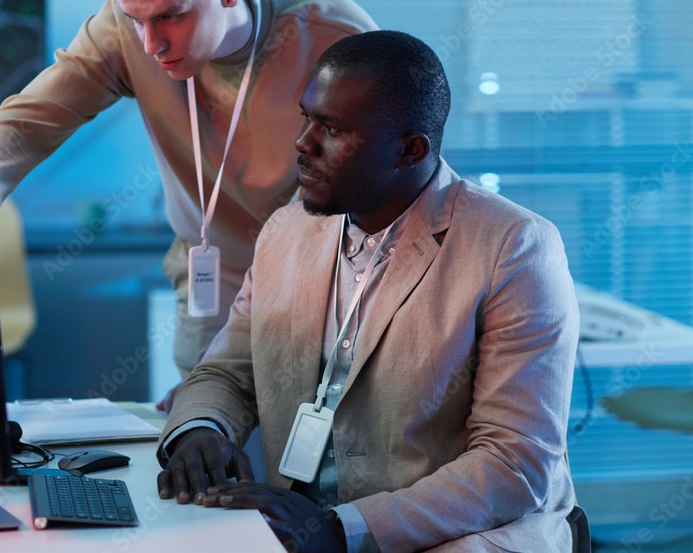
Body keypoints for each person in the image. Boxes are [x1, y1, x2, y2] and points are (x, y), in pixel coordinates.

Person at [156, 30, 580, 552]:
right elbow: (226, 373)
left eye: (332, 129)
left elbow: (513, 463)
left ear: (409, 150)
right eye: (307, 118)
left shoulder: (514, 246)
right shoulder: (287, 230)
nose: (303, 143)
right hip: (303, 533)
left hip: (454, 536)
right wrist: (201, 429)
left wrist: (343, 527)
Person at [0, 0, 377, 388]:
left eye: (171, 16)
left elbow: (387, 174)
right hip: (212, 271)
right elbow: (34, 116)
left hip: (322, 272)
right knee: (200, 419)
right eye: (136, 20)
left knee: (308, 420)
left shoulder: (335, 37)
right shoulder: (125, 27)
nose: (150, 44)